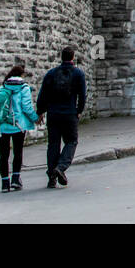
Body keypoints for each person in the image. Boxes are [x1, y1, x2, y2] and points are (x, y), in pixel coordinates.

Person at [35, 46, 87, 188]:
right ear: (73, 57)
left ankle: (52, 176)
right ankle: (61, 167)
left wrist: (40, 111)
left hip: (53, 113)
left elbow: (43, 94)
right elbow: (82, 95)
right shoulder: (78, 74)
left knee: (53, 144)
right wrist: (79, 110)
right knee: (71, 141)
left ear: (61, 57)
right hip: (70, 113)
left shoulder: (51, 73)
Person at [0, 63, 38, 192]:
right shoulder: (24, 88)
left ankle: (5, 183)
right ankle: (15, 179)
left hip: (2, 127)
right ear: (22, 75)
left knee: (3, 155)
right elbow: (26, 107)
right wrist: (35, 118)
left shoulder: (2, 87)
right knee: (18, 152)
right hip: (18, 126)